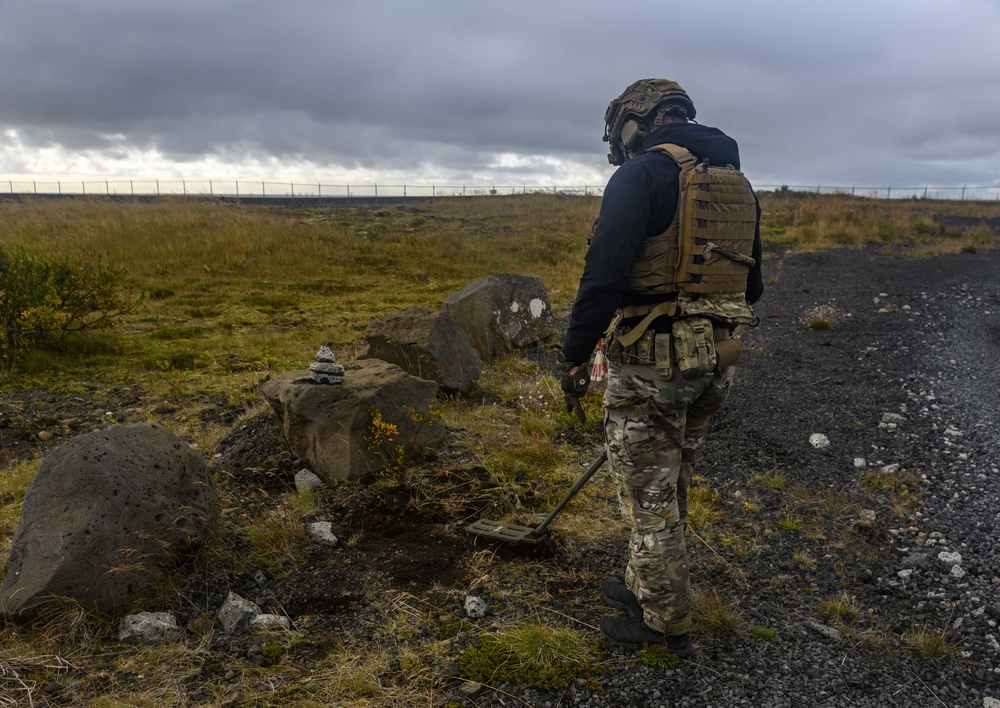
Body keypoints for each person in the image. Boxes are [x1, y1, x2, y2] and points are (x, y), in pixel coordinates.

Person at [557, 78, 764, 656]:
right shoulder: (735, 184)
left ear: (632, 125)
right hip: (717, 362)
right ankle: (641, 584)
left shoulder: (641, 175)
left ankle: (664, 623)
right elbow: (754, 283)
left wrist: (574, 355)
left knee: (647, 498)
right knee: (670, 484)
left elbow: (603, 278)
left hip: (655, 364)